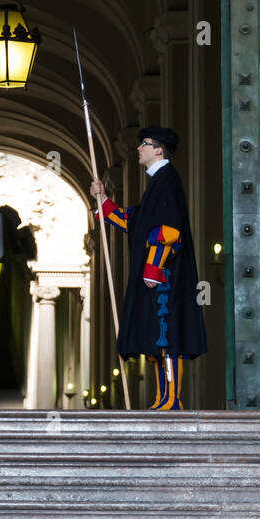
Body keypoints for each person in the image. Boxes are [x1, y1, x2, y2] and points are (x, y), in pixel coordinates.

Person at [90, 126, 207, 411]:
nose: (138, 148)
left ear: (159, 150)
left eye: (144, 144)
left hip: (165, 277)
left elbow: (168, 230)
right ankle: (162, 397)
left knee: (168, 337)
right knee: (158, 337)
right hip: (155, 277)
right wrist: (103, 201)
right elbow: (137, 223)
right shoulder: (157, 182)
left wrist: (152, 269)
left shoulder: (167, 180)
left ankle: (172, 398)